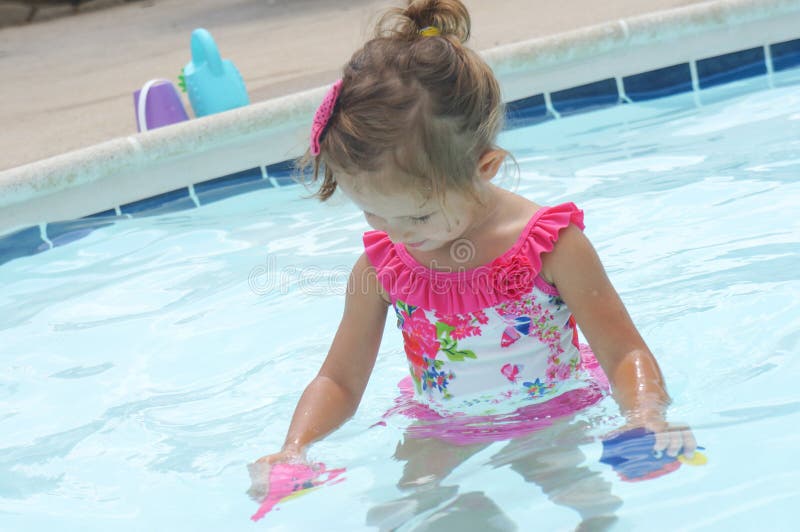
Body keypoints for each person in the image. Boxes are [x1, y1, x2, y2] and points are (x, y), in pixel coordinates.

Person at [251, 0, 696, 526]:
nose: (394, 235)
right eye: (372, 212)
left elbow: (624, 353)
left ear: (485, 167)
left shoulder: (552, 246)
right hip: (444, 424)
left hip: (550, 413)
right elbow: (340, 382)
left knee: (586, 500)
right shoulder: (381, 267)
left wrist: (645, 415)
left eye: (415, 215)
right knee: (408, 509)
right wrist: (295, 447)